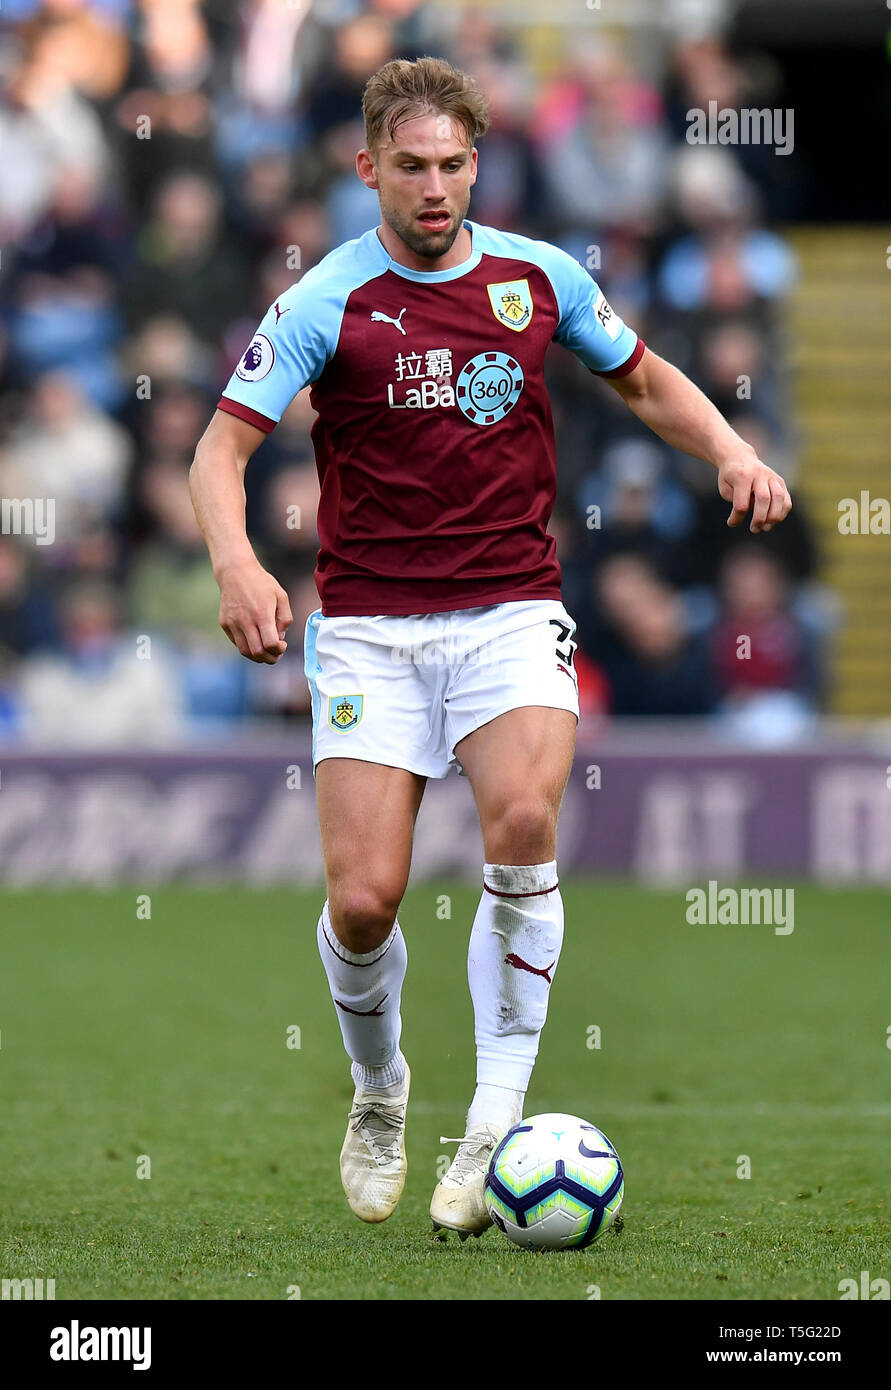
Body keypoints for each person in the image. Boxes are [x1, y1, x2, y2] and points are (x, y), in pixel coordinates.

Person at [189, 55, 791, 1239]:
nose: (434, 187)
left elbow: (647, 378)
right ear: (367, 169)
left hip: (513, 608)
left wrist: (728, 449)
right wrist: (240, 563)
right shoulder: (325, 301)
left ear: (479, 163)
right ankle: (379, 1090)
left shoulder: (539, 275)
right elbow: (216, 451)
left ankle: (492, 1119)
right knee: (365, 901)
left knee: (522, 822)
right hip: (367, 627)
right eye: (410, 167)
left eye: (453, 164)